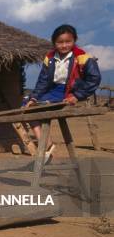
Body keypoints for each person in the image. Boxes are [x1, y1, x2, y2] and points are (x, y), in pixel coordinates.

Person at [25, 24, 101, 162]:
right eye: (60, 42)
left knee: (41, 105)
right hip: (52, 90)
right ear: (54, 42)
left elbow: (94, 79)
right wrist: (34, 97)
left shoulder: (83, 57)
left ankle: (46, 147)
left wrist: (77, 96)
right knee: (26, 105)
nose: (64, 45)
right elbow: (42, 81)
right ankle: (48, 144)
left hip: (68, 91)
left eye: (68, 41)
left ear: (74, 41)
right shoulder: (50, 57)